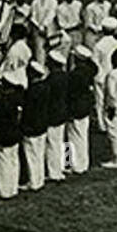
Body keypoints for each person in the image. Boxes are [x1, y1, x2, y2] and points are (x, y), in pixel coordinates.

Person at [0, 70, 24, 199]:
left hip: (4, 134)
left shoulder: (3, 102)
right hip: (14, 133)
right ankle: (13, 186)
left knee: (3, 162)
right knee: (13, 161)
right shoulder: (17, 99)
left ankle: (5, 190)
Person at [66, 44, 97, 175]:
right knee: (82, 136)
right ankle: (83, 163)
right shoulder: (90, 71)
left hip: (76, 108)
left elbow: (71, 94)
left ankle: (70, 164)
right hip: (85, 107)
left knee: (71, 138)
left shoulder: (75, 75)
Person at [20, 61, 49, 191]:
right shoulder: (44, 87)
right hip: (43, 124)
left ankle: (35, 181)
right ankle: (41, 178)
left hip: (33, 126)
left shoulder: (31, 92)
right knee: (40, 153)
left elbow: (28, 111)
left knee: (32, 155)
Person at [44, 50, 70, 183]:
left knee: (53, 144)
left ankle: (55, 172)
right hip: (63, 111)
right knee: (63, 140)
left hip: (53, 113)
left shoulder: (51, 80)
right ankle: (66, 164)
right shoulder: (65, 76)